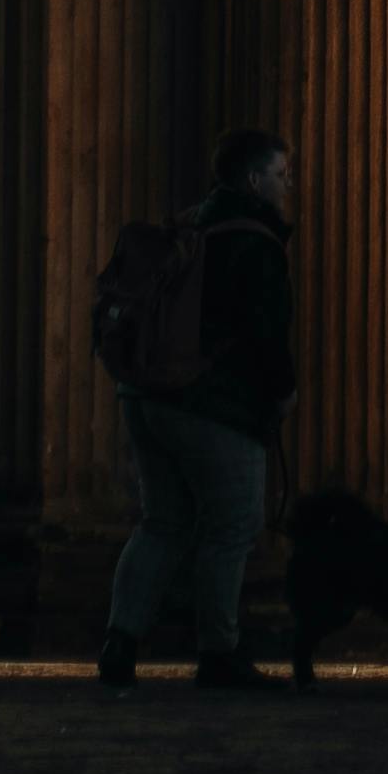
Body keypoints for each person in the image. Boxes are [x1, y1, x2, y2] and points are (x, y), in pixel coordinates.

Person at [100, 129, 299, 693]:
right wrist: (282, 391)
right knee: (233, 524)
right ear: (253, 180)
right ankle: (219, 653)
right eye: (281, 175)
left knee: (162, 520)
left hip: (145, 395)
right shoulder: (254, 240)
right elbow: (266, 331)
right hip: (212, 404)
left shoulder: (189, 224)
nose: (289, 185)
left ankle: (120, 640)